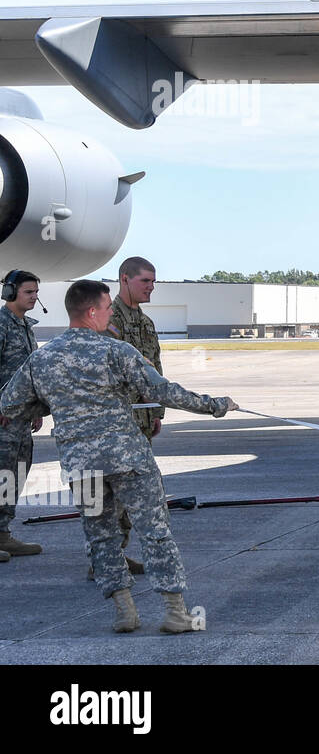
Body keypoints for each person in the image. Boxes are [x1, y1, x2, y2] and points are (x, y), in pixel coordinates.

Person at [0, 280, 237, 634]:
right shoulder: (116, 352)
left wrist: (54, 403)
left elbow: (9, 405)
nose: (112, 314)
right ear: (92, 312)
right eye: (108, 308)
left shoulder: (42, 359)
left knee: (101, 536)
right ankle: (175, 613)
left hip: (82, 468)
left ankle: (124, 611)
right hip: (128, 461)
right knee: (155, 531)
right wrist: (216, 406)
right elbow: (164, 392)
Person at [99, 256, 164, 576]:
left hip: (139, 420)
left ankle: (117, 555)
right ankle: (105, 558)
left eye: (153, 282)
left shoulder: (146, 322)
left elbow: (156, 371)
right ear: (124, 279)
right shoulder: (110, 320)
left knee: (133, 493)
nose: (151, 287)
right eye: (145, 281)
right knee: (110, 493)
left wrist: (155, 412)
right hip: (116, 422)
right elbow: (108, 372)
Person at [0, 270, 43, 561]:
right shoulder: (1, 325)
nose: (34, 297)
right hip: (3, 417)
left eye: (36, 292)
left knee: (14, 474)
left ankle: (3, 534)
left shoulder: (26, 326)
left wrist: (36, 409)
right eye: (29, 292)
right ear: (10, 292)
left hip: (22, 418)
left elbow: (32, 372)